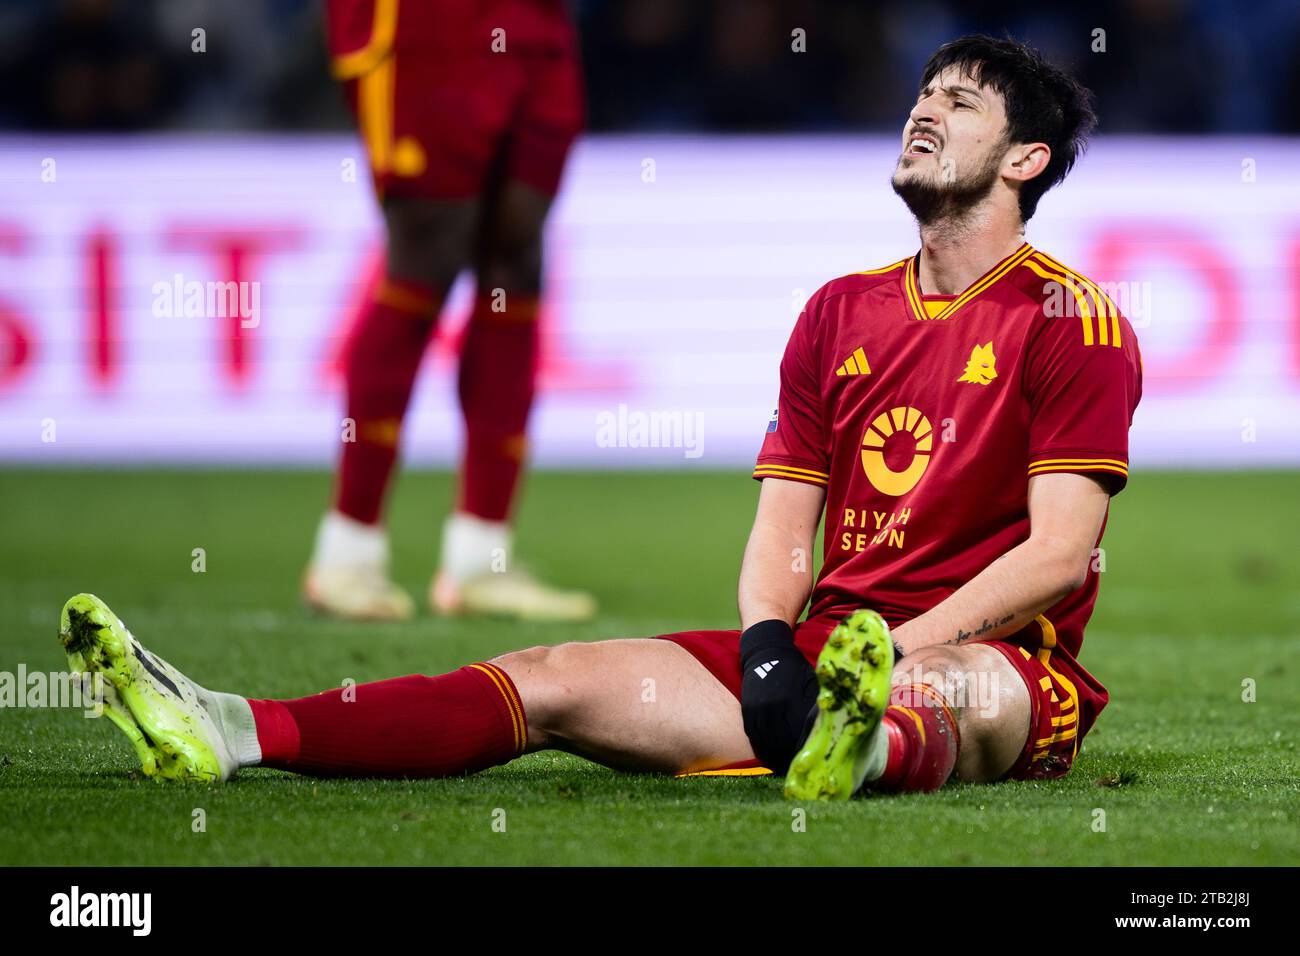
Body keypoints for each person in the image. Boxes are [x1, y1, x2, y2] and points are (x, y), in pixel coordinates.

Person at [60, 36, 1141, 799]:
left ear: (1024, 159)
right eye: (924, 90)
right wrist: (770, 647)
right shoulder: (837, 308)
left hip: (998, 664)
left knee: (960, 693)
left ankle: (863, 747)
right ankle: (234, 726)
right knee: (553, 677)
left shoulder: (1070, 317)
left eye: (959, 102)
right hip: (816, 661)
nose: (924, 108)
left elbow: (1055, 559)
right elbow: (781, 529)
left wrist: (882, 656)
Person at [304, 0, 596, 621]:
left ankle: (481, 558)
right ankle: (347, 554)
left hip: (535, 21)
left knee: (516, 260)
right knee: (425, 254)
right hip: (427, 20)